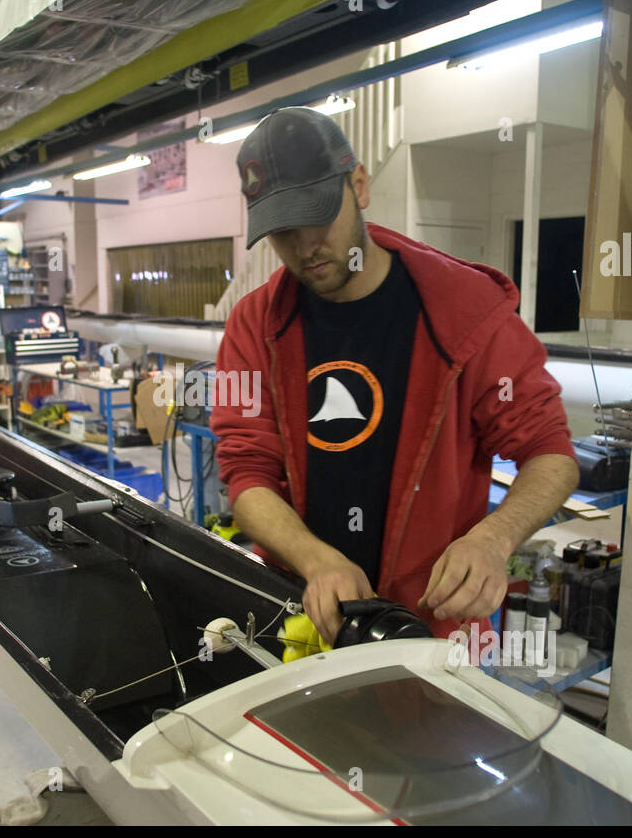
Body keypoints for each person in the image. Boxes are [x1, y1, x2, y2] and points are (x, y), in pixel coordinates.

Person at [212, 107, 581, 646]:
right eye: (282, 231)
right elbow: (246, 473)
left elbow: (551, 454)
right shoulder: (254, 324)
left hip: (432, 623)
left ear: (358, 185)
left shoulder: (468, 313)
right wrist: (317, 561)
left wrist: (493, 540)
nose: (305, 247)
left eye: (318, 216)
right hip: (305, 614)